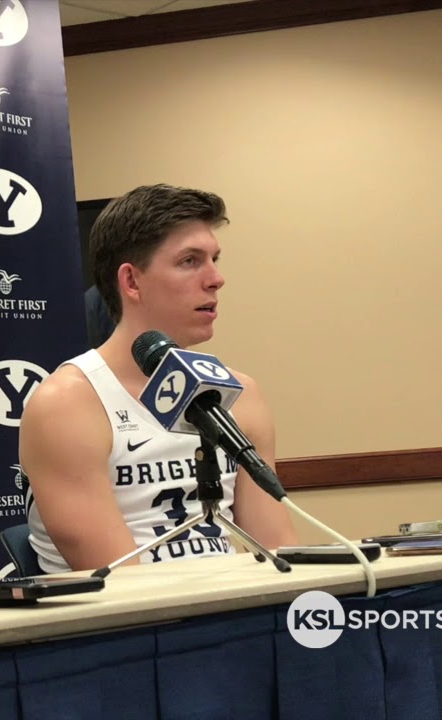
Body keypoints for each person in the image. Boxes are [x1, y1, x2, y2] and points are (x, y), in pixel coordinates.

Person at [20, 184, 297, 573]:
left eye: (215, 259)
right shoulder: (67, 403)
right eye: (190, 261)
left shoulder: (241, 393)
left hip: (233, 609)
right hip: (130, 624)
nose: (216, 279)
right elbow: (119, 582)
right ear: (131, 282)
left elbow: (278, 551)